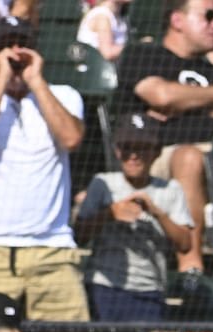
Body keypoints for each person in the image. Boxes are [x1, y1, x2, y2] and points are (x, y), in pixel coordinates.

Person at [0, 17, 90, 321]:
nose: (15, 52)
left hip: (52, 249)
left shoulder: (64, 95)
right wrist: (1, 76)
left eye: (23, 44)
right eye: (6, 46)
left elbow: (71, 138)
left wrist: (35, 80)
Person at [114, 0, 213, 275]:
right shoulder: (145, 55)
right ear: (177, 20)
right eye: (209, 16)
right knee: (189, 157)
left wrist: (186, 103)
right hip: (156, 160)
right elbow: (161, 95)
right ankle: (190, 266)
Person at [74, 113, 195, 321]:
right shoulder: (103, 184)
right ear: (117, 151)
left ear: (156, 152)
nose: (133, 156)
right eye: (126, 148)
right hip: (103, 287)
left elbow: (185, 244)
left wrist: (156, 212)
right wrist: (111, 213)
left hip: (149, 290)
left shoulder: (170, 189)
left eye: (142, 148)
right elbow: (78, 236)